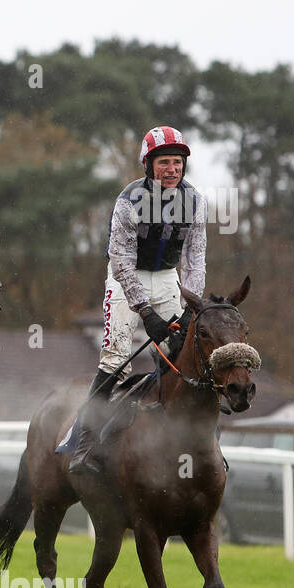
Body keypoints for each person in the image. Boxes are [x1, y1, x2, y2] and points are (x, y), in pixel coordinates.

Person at [68, 125, 207, 475]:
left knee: (184, 354)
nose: (172, 169)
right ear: (148, 165)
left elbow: (196, 260)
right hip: (125, 277)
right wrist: (145, 311)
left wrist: (193, 306)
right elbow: (121, 260)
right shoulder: (128, 201)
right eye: (164, 163)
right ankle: (85, 441)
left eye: (177, 162)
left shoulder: (195, 201)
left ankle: (186, 433)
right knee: (116, 357)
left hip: (167, 278)